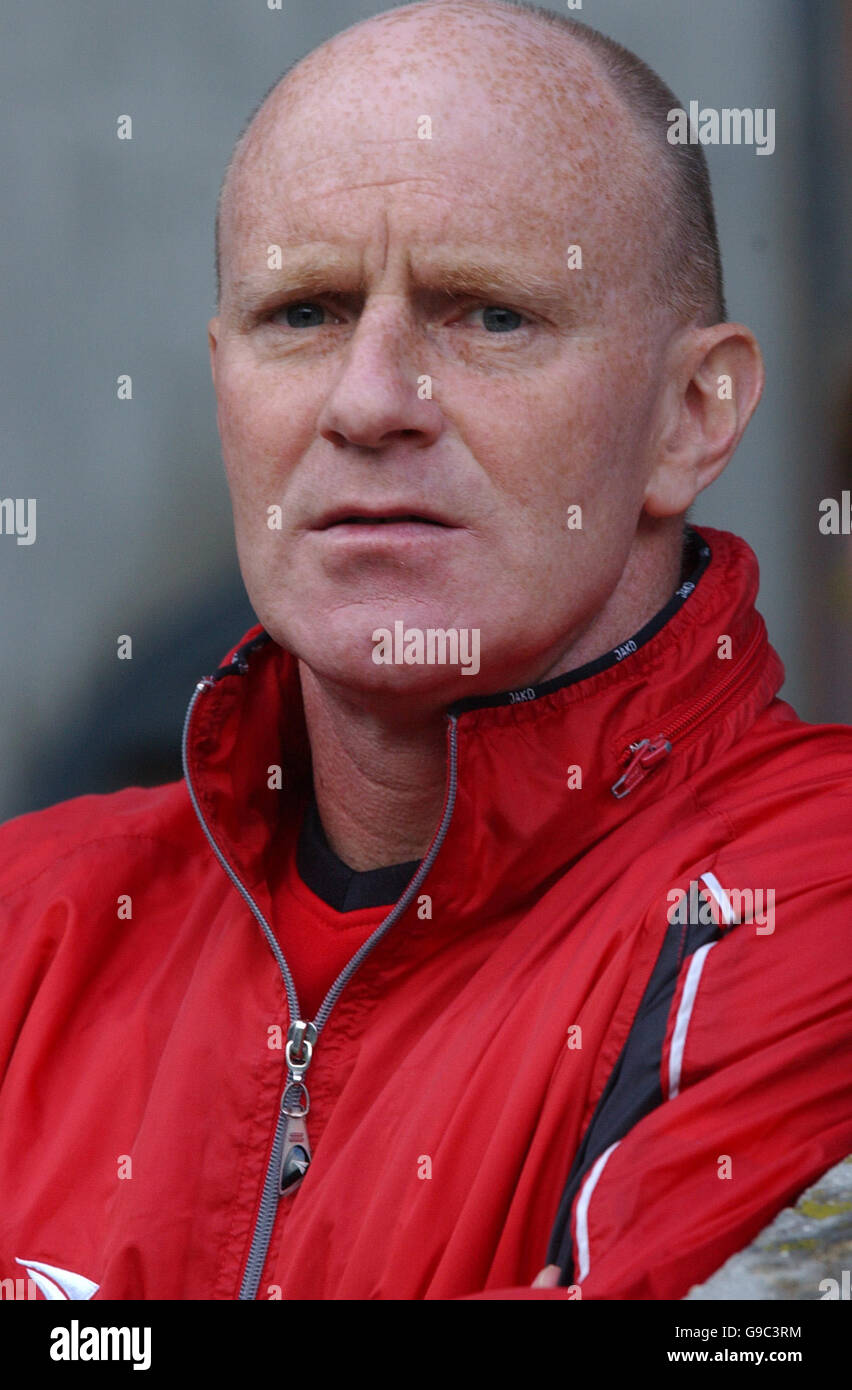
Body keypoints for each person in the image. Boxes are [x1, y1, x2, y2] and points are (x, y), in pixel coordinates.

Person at [1, 0, 849, 1302]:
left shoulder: (813, 897)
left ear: (693, 414)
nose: (368, 399)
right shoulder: (31, 917)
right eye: (303, 312)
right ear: (223, 379)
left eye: (489, 316)